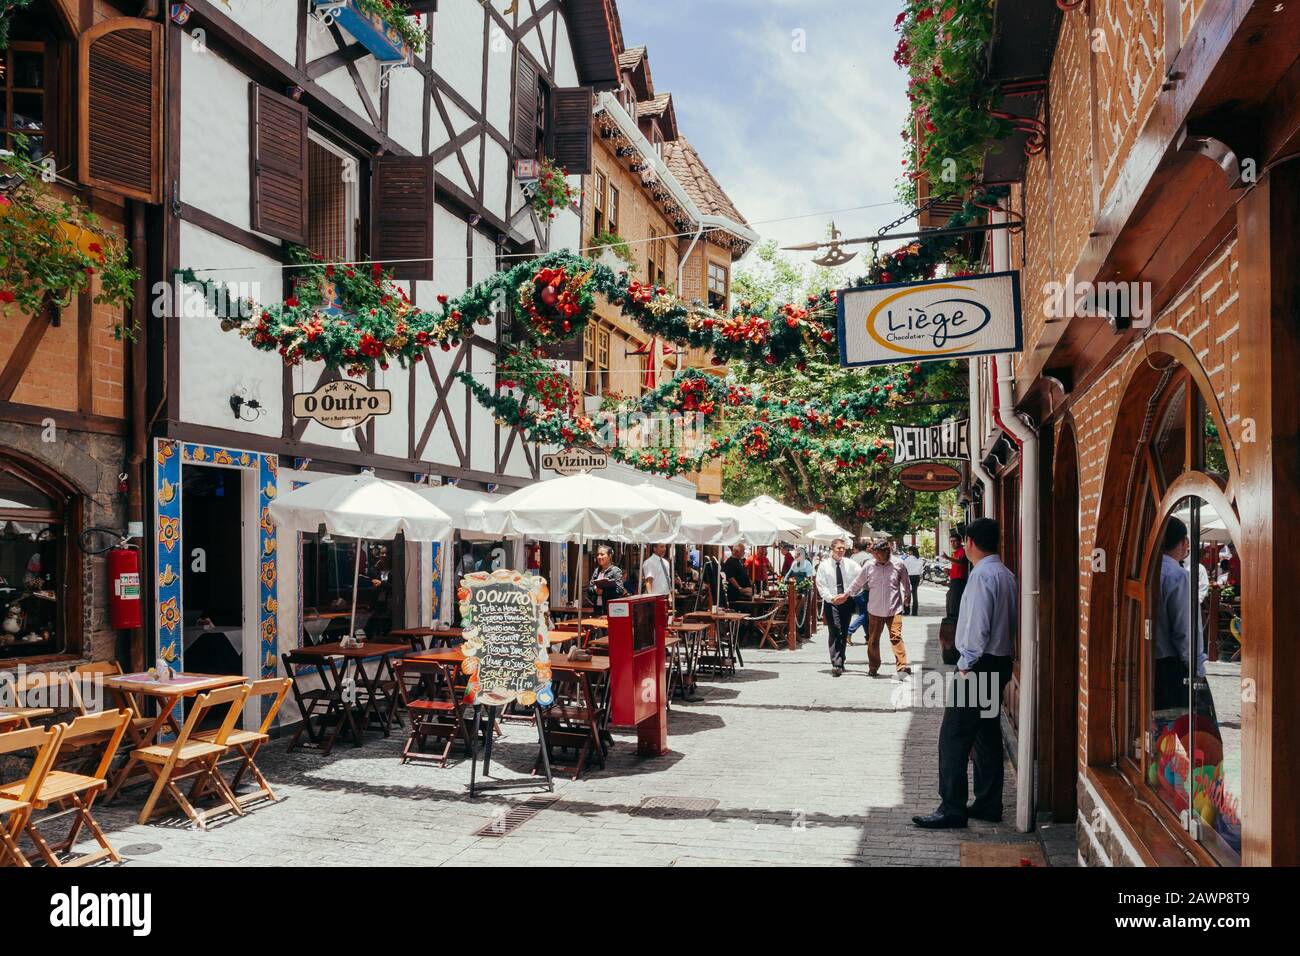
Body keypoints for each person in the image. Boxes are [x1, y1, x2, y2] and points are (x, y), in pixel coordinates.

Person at [914, 518, 1016, 829]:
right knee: (985, 733)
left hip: (979, 663)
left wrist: (964, 664)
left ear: (970, 543)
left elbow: (976, 626)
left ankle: (952, 807)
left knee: (954, 735)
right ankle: (987, 802)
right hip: (998, 661)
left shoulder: (983, 576)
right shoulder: (1005, 574)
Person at [1153, 516, 1208, 711]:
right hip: (1171, 668)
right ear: (1184, 542)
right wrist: (1197, 668)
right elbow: (1185, 631)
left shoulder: (1150, 572)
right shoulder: (1177, 576)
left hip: (1149, 662)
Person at [841, 541, 912, 677]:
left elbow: (906, 583)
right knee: (873, 640)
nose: (876, 556)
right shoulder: (869, 565)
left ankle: (902, 667)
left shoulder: (898, 564)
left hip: (894, 609)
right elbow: (858, 582)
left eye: (878, 553)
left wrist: (908, 596)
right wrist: (846, 595)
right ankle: (873, 666)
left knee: (896, 637)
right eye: (874, 553)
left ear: (887, 551)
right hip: (875, 610)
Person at [815, 538, 862, 677]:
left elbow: (861, 578)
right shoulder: (824, 566)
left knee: (844, 630)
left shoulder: (851, 564)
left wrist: (850, 594)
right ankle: (836, 663)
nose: (841, 550)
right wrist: (831, 598)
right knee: (835, 629)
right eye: (839, 548)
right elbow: (821, 584)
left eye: (843, 548)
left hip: (847, 601)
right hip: (832, 602)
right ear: (832, 549)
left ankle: (841, 658)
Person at [587, 544, 626, 615]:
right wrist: (595, 590)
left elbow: (620, 590)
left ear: (610, 556)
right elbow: (589, 588)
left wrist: (603, 592)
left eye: (602, 554)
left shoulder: (616, 571)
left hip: (610, 609)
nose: (599, 557)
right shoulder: (596, 571)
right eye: (598, 554)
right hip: (597, 608)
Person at [942, 529, 969, 620]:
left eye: (954, 541)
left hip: (959, 581)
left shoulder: (962, 551)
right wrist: (949, 571)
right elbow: (957, 566)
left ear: (960, 541)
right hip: (954, 580)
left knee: (954, 602)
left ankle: (954, 620)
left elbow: (961, 562)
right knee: (950, 599)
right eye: (951, 541)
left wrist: (948, 558)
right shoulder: (955, 553)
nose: (952, 543)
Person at [723, 542, 753, 607]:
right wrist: (740, 589)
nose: (744, 553)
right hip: (736, 595)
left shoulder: (739, 561)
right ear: (736, 552)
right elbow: (730, 577)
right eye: (743, 551)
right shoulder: (730, 562)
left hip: (744, 592)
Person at [902, 546, 925, 616]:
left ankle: (907, 610)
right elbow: (921, 571)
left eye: (909, 551)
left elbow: (904, 569)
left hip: (909, 576)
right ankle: (915, 612)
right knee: (915, 594)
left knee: (907, 594)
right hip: (916, 577)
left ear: (911, 551)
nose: (908, 552)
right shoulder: (920, 560)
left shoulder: (907, 559)